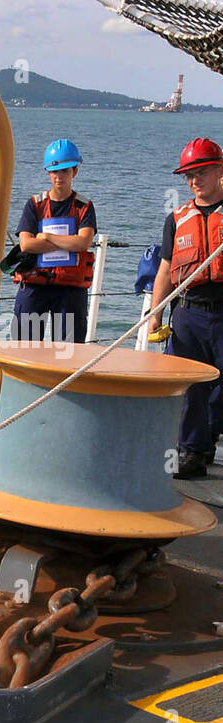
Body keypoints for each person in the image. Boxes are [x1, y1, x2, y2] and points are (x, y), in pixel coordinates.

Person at [147, 137, 223, 480]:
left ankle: (209, 436)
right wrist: (156, 313)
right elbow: (165, 268)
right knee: (191, 386)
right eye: (189, 175)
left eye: (202, 172)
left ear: (220, 171)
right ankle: (192, 451)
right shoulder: (177, 219)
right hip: (188, 312)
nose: (195, 181)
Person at [10, 139, 96, 345]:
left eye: (65, 171)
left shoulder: (84, 207)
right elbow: (26, 245)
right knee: (24, 348)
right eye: (55, 171)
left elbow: (83, 243)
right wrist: (69, 241)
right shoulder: (34, 204)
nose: (60, 176)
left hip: (70, 290)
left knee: (69, 352)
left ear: (75, 172)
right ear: (48, 173)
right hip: (34, 284)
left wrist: (47, 237)